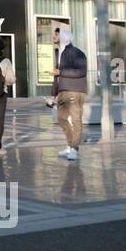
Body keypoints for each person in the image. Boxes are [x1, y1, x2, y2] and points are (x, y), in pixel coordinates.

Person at [54, 27, 88, 160]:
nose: (54, 37)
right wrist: (53, 94)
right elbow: (56, 76)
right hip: (62, 91)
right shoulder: (59, 53)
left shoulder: (77, 53)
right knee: (61, 119)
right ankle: (70, 145)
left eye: (56, 35)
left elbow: (81, 72)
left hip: (75, 90)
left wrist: (61, 72)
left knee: (76, 120)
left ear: (63, 37)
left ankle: (74, 149)